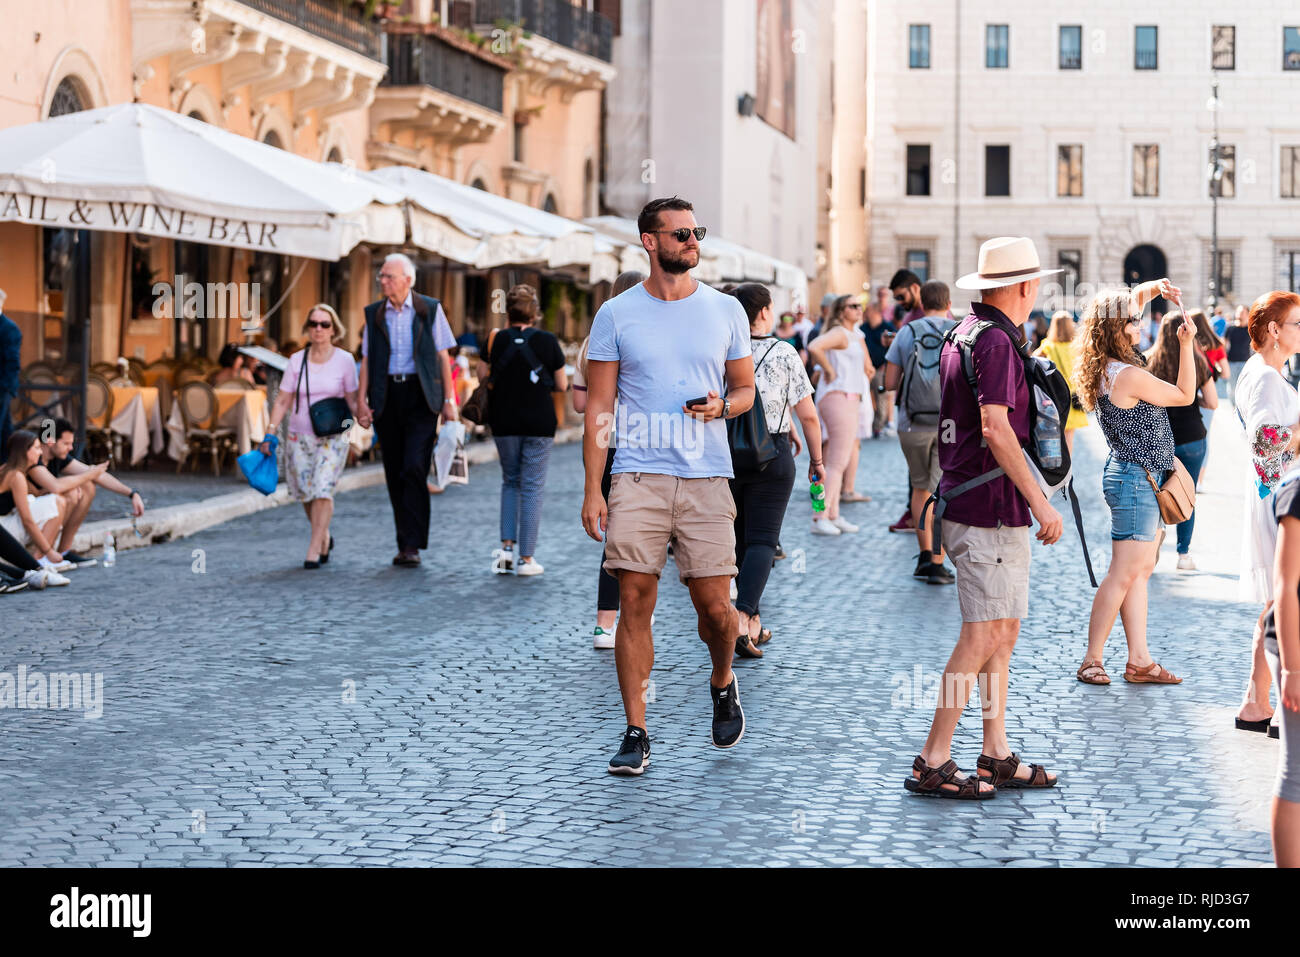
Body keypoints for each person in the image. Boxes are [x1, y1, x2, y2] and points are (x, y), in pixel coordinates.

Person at [582, 195, 756, 776]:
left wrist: (722, 407)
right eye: (680, 233)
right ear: (649, 242)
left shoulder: (727, 310)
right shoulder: (616, 314)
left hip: (707, 475)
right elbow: (600, 406)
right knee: (634, 598)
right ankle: (636, 729)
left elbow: (745, 392)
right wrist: (592, 488)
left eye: (696, 231)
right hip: (637, 475)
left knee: (714, 608)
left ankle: (723, 679)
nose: (692, 241)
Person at [905, 236, 1063, 800]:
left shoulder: (963, 332)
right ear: (1024, 285)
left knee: (1003, 630)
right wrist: (1042, 501)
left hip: (978, 502)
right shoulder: (995, 342)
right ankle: (932, 756)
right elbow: (995, 429)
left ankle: (994, 750)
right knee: (983, 633)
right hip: (988, 506)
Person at [1074, 281, 1190, 687]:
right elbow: (1184, 394)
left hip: (1137, 477)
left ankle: (1139, 660)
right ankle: (1092, 659)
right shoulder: (1126, 374)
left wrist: (1153, 288)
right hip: (1136, 481)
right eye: (1134, 322)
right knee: (1123, 574)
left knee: (1138, 574)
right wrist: (1187, 343)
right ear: (1116, 329)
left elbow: (1126, 305)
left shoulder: (1109, 364)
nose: (1141, 325)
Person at [728, 283, 825, 658]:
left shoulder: (722, 351)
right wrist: (817, 462)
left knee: (740, 540)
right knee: (764, 541)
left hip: (727, 455)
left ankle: (752, 624)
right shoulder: (783, 352)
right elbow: (809, 415)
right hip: (773, 452)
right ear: (765, 312)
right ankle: (743, 615)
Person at [356, 253, 458, 567]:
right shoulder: (374, 314)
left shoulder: (430, 309)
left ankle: (413, 541)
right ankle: (405, 544)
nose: (383, 281)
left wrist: (450, 400)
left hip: (421, 395)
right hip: (387, 395)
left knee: (414, 465)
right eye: (382, 276)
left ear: (407, 280)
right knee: (394, 471)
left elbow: (443, 357)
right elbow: (367, 360)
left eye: (388, 276)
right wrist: (361, 401)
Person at [1233, 291, 1300, 735]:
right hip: (1281, 499)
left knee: (1277, 601)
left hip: (1273, 496)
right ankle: (1276, 703)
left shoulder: (1264, 372)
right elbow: (1266, 444)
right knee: (1285, 600)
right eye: (1296, 323)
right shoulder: (1267, 380)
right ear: (1274, 330)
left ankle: (1256, 704)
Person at [573, 269, 646, 648]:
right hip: (636, 445)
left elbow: (580, 403)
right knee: (641, 537)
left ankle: (605, 623)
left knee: (613, 537)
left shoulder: (590, 343)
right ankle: (635, 621)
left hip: (604, 442)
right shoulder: (643, 334)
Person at [477, 285, 567, 578]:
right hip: (539, 423)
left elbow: (481, 375)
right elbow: (562, 385)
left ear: (509, 312)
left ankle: (505, 550)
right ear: (535, 312)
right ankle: (526, 559)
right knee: (532, 487)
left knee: (510, 481)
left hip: (504, 422)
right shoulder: (548, 341)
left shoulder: (495, 339)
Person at [261, 305, 360, 569]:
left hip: (334, 437)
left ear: (334, 329)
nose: (318, 329)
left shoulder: (345, 360)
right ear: (307, 328)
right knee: (305, 492)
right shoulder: (296, 360)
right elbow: (282, 400)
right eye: (314, 324)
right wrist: (269, 432)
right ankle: (324, 535)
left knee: (322, 488)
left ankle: (314, 548)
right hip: (298, 435)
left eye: (324, 324)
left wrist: (360, 425)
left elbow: (352, 399)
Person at [884, 279, 956, 585]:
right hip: (948, 424)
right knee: (941, 489)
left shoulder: (907, 331)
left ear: (921, 303)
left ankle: (925, 555)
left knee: (918, 487)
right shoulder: (959, 331)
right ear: (948, 303)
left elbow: (889, 383)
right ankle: (939, 560)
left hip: (912, 422)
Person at [1145, 312, 1217, 571]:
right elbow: (1213, 402)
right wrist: (1190, 397)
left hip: (1160, 438)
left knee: (1156, 494)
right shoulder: (1197, 361)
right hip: (1192, 437)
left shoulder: (1148, 360)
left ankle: (1150, 550)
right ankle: (1183, 554)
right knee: (1187, 494)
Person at [26, 417, 146, 567]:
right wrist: (90, 473)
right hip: (20, 515)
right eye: (66, 443)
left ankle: (64, 551)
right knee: (70, 492)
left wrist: (132, 493)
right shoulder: (32, 458)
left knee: (87, 486)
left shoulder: (57, 456)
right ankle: (42, 556)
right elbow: (55, 486)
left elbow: (97, 475)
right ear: (50, 441)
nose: (70, 448)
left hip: (40, 511)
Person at [807, 296, 874, 535]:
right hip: (838, 396)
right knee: (834, 464)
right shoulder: (840, 333)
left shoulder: (853, 334)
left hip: (849, 397)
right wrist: (829, 369)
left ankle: (832, 513)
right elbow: (814, 347)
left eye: (859, 306)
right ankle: (819, 515)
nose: (859, 309)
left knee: (837, 462)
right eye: (853, 306)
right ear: (841, 311)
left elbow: (867, 365)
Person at [1264, 466, 1300, 866]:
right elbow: (1285, 586)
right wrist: (1293, 670)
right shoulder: (1297, 492)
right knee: (1297, 772)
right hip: (1294, 644)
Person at [0, 430, 83, 582]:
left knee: (51, 500)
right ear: (25, 451)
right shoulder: (16, 476)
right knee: (55, 502)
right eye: (37, 448)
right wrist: (49, 550)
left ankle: (40, 560)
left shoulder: (13, 471)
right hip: (4, 530)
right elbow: (27, 520)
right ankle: (41, 559)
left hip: (5, 525)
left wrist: (68, 489)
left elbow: (38, 493)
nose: (40, 452)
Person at [1031, 311, 1088, 455]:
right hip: (1073, 397)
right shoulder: (1076, 346)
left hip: (1054, 394)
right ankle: (1067, 466)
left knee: (1055, 433)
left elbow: (1032, 360)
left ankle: (1054, 463)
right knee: (1069, 436)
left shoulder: (1048, 345)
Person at [862, 302, 896, 438]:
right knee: (867, 399)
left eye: (868, 312)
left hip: (882, 369)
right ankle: (870, 424)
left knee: (881, 397)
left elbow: (894, 347)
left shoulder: (887, 328)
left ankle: (878, 426)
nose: (865, 314)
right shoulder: (863, 328)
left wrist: (887, 364)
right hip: (865, 370)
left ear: (876, 313)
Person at [0, 288, 19, 456]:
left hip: (2, 388)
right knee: (6, 431)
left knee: (4, 429)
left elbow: (12, 363)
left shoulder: (9, 328)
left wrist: (5, 389)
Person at [1226, 305, 1253, 403]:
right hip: (1231, 362)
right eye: (1238, 312)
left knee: (1245, 387)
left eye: (1242, 312)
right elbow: (1224, 344)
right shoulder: (1230, 328)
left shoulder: (1250, 329)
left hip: (1245, 362)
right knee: (1232, 387)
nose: (1240, 314)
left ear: (1247, 314)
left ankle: (1242, 406)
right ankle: (1234, 407)